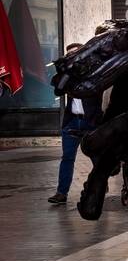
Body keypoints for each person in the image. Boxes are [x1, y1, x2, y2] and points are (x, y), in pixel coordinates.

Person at [48, 43, 103, 205]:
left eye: (75, 54)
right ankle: (61, 193)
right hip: (72, 121)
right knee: (67, 157)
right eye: (69, 55)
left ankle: (100, 184)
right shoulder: (68, 77)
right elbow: (58, 90)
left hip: (91, 121)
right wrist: (66, 72)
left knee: (97, 158)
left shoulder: (94, 72)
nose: (72, 58)